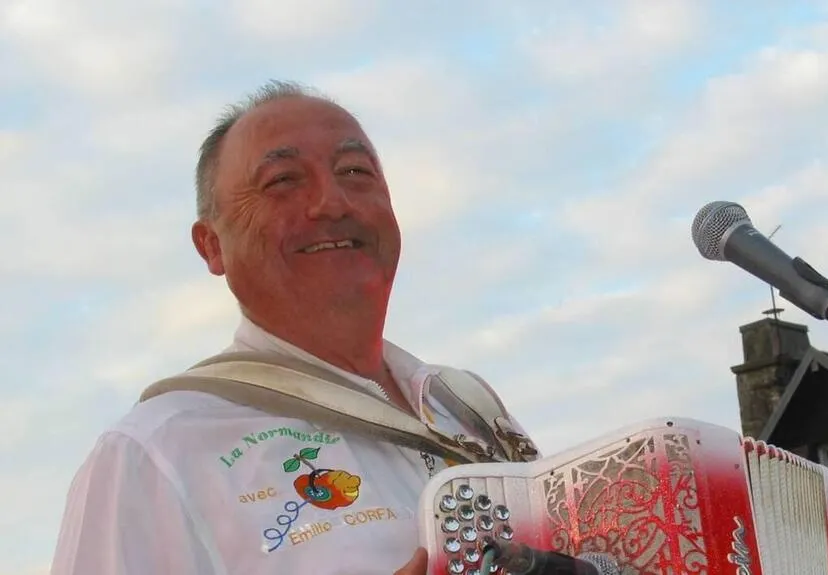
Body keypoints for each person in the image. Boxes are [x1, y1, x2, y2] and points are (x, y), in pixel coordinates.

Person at [50, 80, 534, 575]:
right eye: (283, 180)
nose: (332, 202)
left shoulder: (469, 408)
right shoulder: (154, 453)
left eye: (355, 171)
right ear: (211, 246)